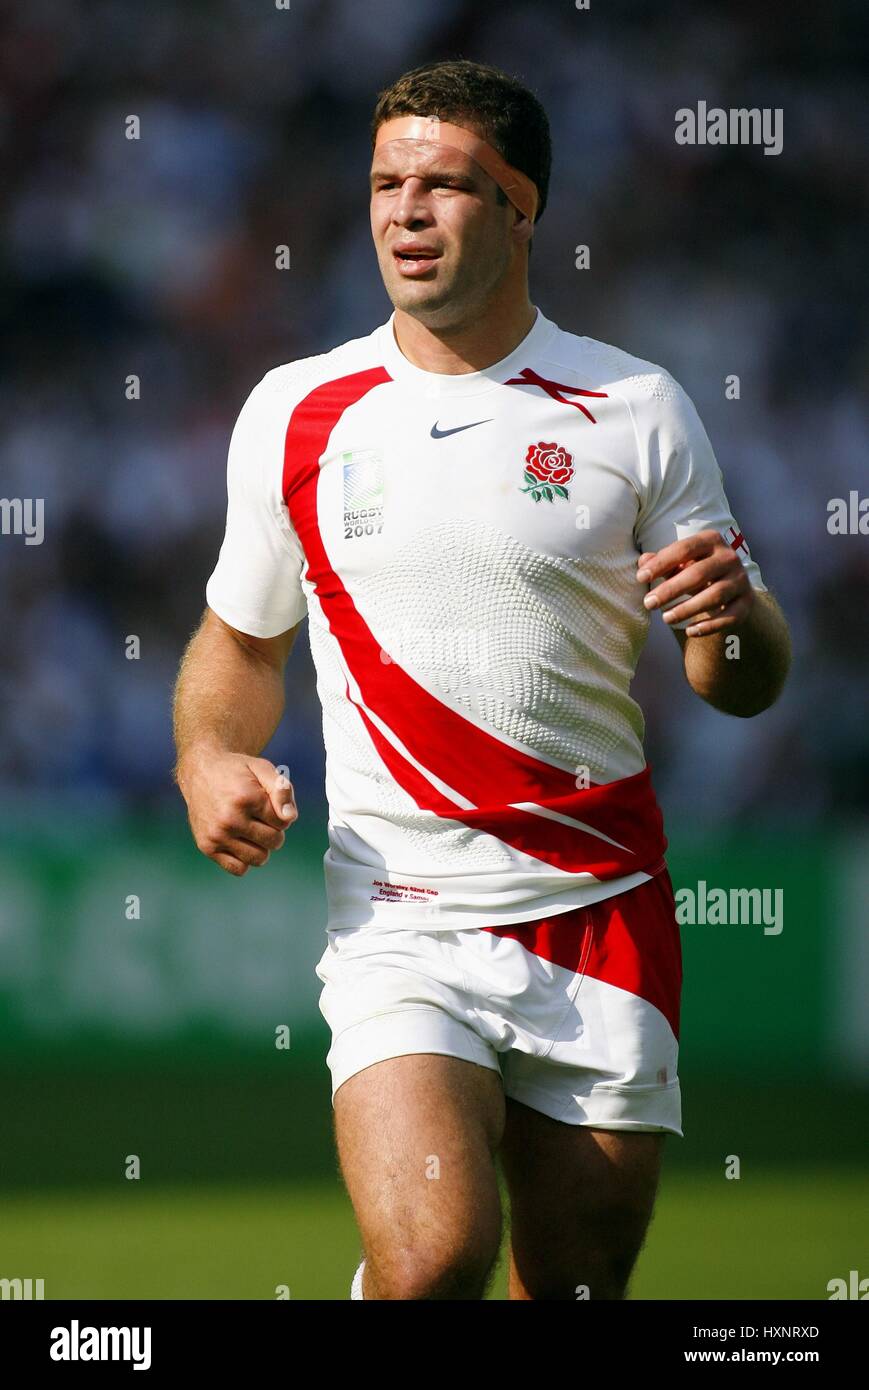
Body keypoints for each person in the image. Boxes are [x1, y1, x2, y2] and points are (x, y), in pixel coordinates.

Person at [172, 58, 792, 1300]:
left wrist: (732, 620)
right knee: (432, 1262)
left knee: (570, 1289)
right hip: (399, 914)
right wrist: (206, 754)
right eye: (385, 183)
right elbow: (239, 643)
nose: (403, 210)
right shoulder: (298, 410)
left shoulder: (635, 408)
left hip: (599, 908)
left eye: (443, 185)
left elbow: (742, 676)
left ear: (521, 207)